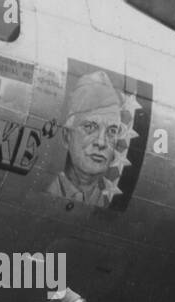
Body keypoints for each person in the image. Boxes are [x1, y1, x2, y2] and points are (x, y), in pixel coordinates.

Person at [47, 70, 132, 207]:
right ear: (66, 137)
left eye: (111, 131)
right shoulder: (52, 189)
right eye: (90, 127)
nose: (101, 142)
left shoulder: (105, 201)